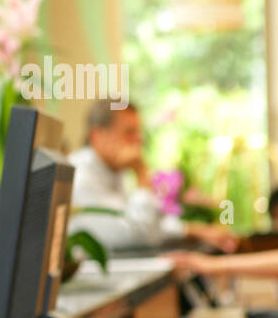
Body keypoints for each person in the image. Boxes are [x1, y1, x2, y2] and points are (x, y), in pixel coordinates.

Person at [69, 99, 236, 253]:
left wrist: (194, 231)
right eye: (129, 132)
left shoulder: (112, 173)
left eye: (138, 132)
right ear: (97, 136)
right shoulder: (80, 178)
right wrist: (141, 172)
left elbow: (151, 225)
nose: (139, 140)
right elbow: (140, 235)